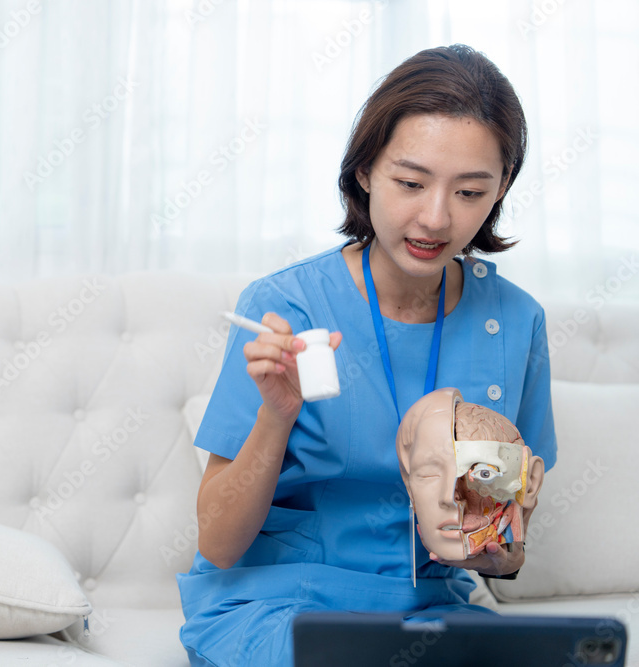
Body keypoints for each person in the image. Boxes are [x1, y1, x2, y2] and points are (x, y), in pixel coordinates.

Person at [176, 44, 558, 666]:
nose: (435, 218)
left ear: (501, 190)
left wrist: (498, 542)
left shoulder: (515, 322)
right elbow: (218, 545)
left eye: (469, 192)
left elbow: (501, 550)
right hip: (280, 605)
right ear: (364, 171)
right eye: (410, 183)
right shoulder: (287, 306)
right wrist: (277, 414)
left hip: (432, 607)